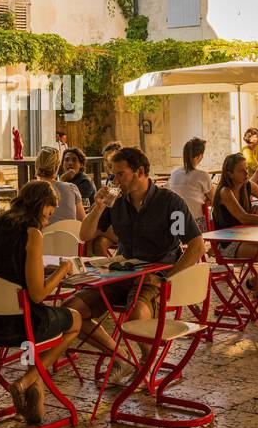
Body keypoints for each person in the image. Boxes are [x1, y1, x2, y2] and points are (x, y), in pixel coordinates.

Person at [78, 147, 205, 368]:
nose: (114, 180)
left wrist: (170, 278)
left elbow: (196, 245)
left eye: (120, 174)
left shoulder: (168, 202)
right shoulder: (116, 202)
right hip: (123, 270)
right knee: (73, 312)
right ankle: (123, 360)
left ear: (139, 172)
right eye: (112, 174)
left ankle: (147, 364)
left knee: (135, 318)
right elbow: (85, 235)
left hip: (157, 272)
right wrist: (97, 209)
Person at [0, 181, 84, 425]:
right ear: (41, 205)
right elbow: (37, 295)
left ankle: (35, 398)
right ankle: (28, 380)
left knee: (45, 322)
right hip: (19, 326)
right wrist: (63, 269)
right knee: (74, 319)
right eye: (49, 213)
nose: (47, 221)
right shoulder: (31, 232)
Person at [212, 152, 258, 300]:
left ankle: (253, 284)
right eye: (241, 170)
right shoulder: (225, 192)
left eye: (246, 170)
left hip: (248, 236)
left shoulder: (247, 185)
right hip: (228, 243)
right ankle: (256, 293)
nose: (246, 173)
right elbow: (244, 218)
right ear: (230, 174)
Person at [168, 137, 214, 230]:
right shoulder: (202, 175)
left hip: (175, 221)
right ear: (199, 156)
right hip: (195, 221)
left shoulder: (174, 173)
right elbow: (214, 199)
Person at [35, 147, 84, 225]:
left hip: (43, 236)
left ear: (37, 165)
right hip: (71, 236)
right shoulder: (71, 188)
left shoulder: (30, 191)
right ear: (57, 166)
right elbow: (82, 221)